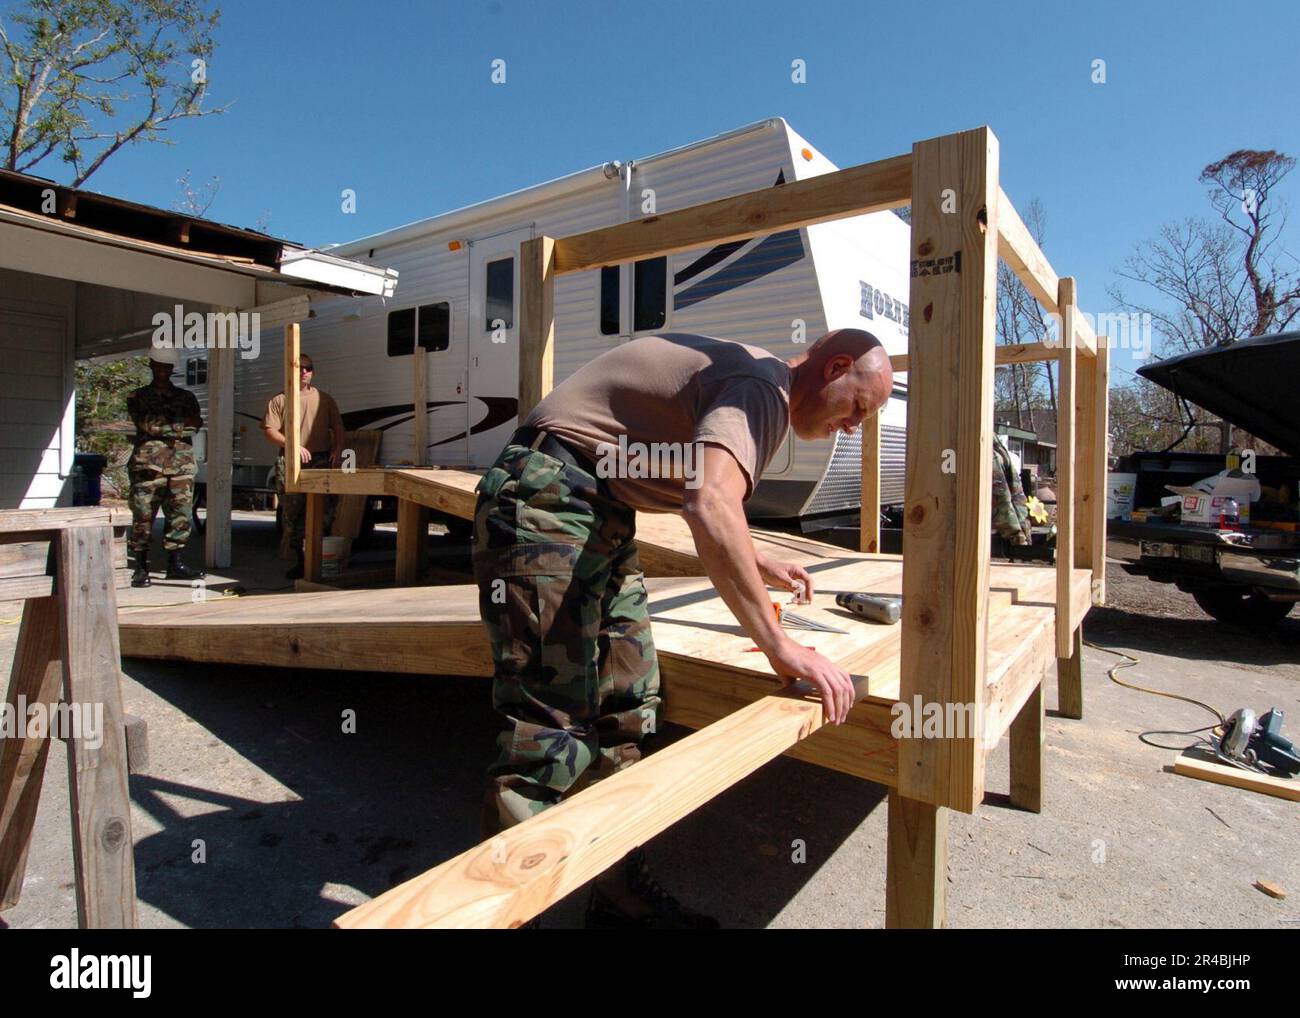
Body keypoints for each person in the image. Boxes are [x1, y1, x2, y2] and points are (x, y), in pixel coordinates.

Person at [472, 328, 892, 927]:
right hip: (546, 495)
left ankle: (615, 893)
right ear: (836, 368)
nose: (854, 426)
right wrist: (782, 647)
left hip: (596, 506)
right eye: (858, 407)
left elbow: (695, 484)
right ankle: (505, 911)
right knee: (550, 726)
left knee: (628, 704)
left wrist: (759, 561)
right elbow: (710, 504)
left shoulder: (758, 384)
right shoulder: (760, 389)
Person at [126, 346, 206, 586]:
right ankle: (140, 567)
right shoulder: (137, 396)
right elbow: (148, 425)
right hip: (149, 466)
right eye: (159, 366)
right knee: (143, 515)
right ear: (151, 365)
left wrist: (169, 428)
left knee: (180, 517)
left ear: (172, 368)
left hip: (181, 466)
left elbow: (197, 424)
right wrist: (180, 428)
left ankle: (175, 564)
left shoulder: (186, 397)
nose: (163, 371)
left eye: (167, 367)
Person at [261, 353, 346, 579]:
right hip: (291, 461)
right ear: (291, 370)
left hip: (321, 460)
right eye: (300, 368)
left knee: (326, 511)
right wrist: (292, 445)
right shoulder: (279, 400)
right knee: (293, 512)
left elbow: (337, 426)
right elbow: (270, 431)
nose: (304, 372)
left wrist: (338, 449)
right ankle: (301, 561)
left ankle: (319, 559)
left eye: (308, 368)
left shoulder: (325, 399)